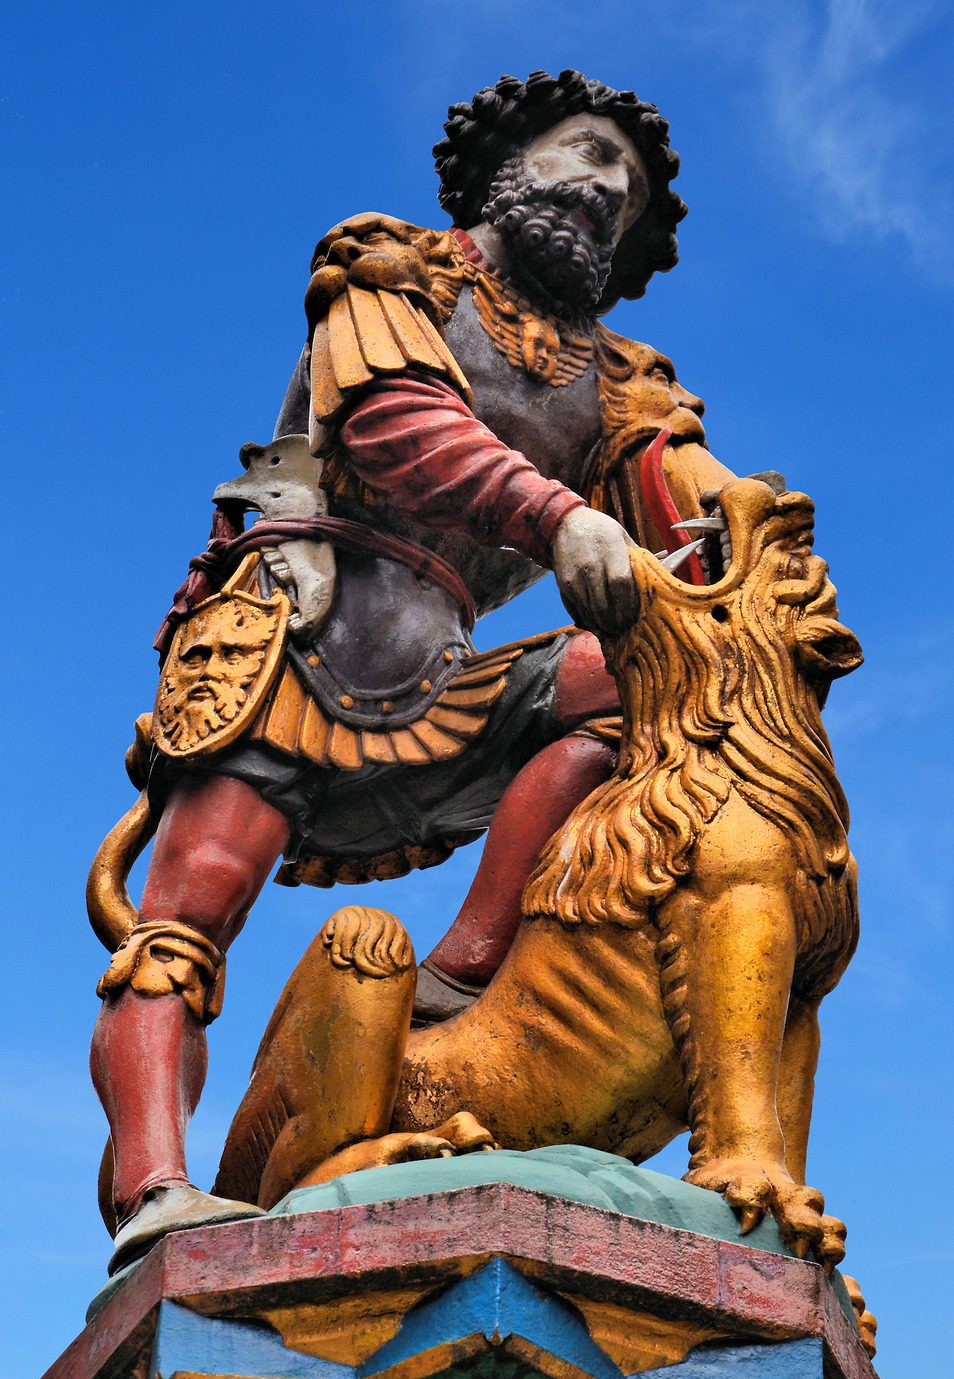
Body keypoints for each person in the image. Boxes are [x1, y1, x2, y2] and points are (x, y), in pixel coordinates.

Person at [91, 69, 738, 1272]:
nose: (606, 193)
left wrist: (745, 544)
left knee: (637, 683)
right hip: (292, 633)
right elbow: (395, 423)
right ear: (508, 162)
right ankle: (154, 1189)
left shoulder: (618, 375)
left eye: (630, 189)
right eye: (588, 155)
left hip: (443, 675)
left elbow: (678, 496)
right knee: (184, 919)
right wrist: (559, 519)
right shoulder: (396, 273)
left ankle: (466, 964)